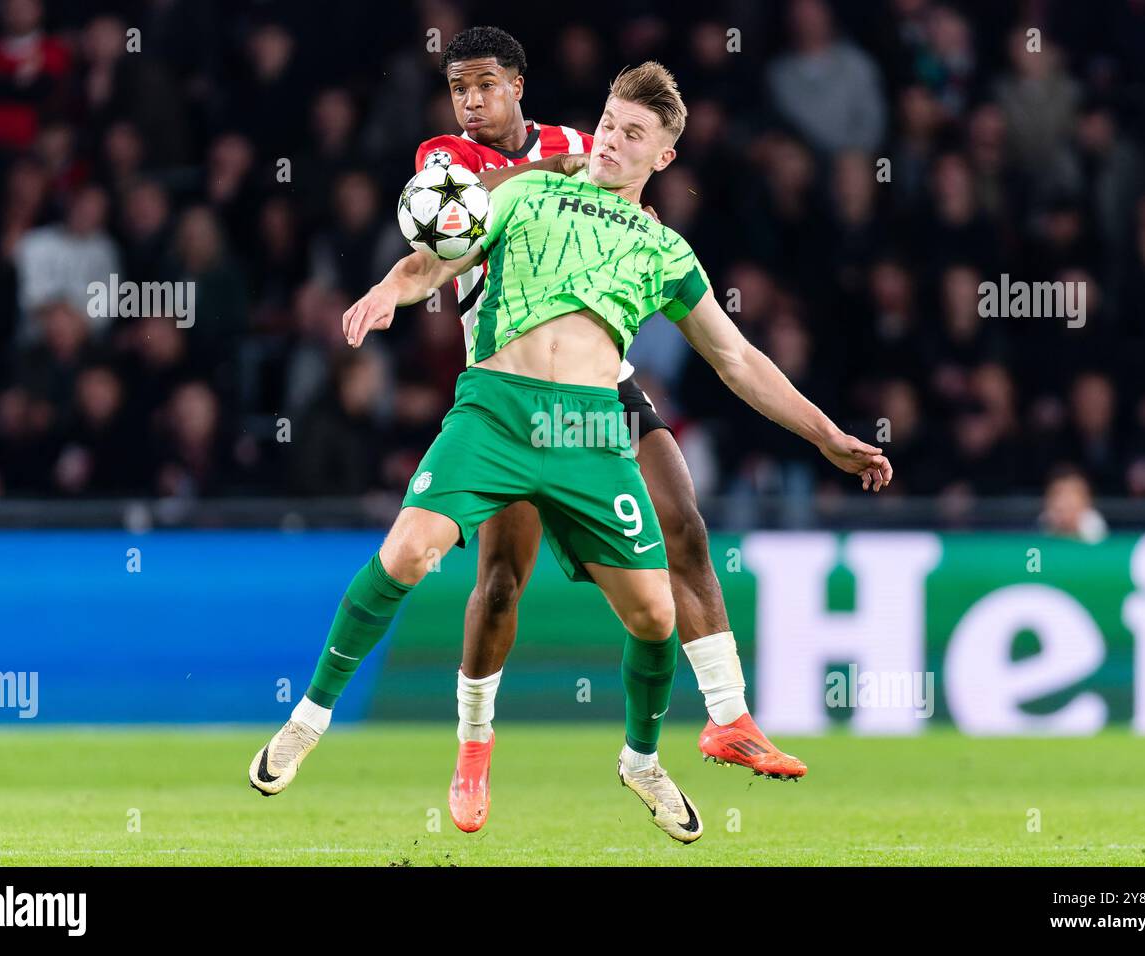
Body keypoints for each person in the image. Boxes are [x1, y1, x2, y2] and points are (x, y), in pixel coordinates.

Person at [250, 61, 891, 844]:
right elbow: (442, 253)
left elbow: (739, 359)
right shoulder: (525, 192)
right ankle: (309, 720)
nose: (612, 142)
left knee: (656, 616)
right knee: (411, 557)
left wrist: (828, 436)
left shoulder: (665, 248)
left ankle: (642, 759)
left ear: (663, 158)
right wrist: (394, 287)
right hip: (495, 411)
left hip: (590, 429)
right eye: (611, 124)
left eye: (634, 135)